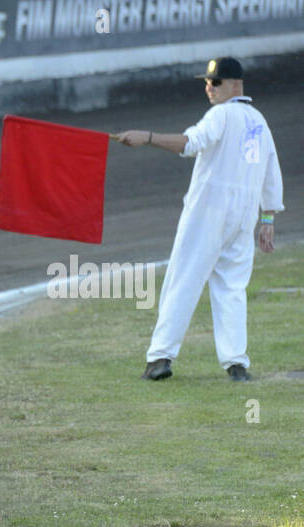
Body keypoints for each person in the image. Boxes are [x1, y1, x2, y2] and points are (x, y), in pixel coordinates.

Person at [112, 57, 283, 382]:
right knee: (232, 287)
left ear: (235, 85)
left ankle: (160, 357)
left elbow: (191, 143)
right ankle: (236, 364)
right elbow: (270, 171)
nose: (208, 87)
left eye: (215, 82)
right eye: (206, 81)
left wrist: (147, 137)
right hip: (243, 217)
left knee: (184, 278)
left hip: (208, 213)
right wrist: (268, 218)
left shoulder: (220, 115)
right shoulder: (258, 121)